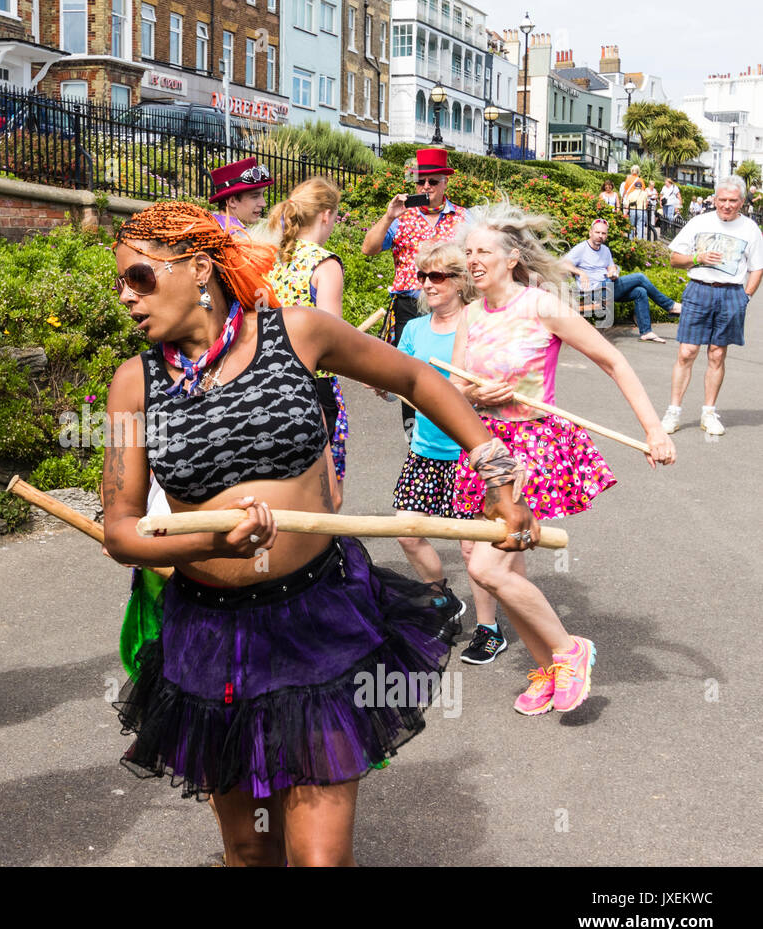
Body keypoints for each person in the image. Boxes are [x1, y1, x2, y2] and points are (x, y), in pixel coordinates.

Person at [102, 200, 538, 866]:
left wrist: (497, 470)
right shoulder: (133, 386)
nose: (125, 296)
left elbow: (417, 377)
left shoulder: (298, 334)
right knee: (250, 853)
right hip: (211, 638)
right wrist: (208, 545)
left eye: (139, 277)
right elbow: (122, 531)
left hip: (316, 620)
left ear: (197, 270)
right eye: (121, 282)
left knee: (320, 860)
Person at [451, 202, 676, 717]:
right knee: (503, 564)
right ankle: (548, 668)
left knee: (488, 564)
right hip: (485, 448)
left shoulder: (540, 305)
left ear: (511, 258)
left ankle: (569, 649)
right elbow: (453, 386)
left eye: (483, 251)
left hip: (529, 448)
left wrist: (654, 428)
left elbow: (612, 359)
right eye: (468, 253)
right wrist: (473, 394)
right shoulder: (469, 314)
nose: (473, 260)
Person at [386, 241, 505, 665]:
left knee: (474, 547)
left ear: (458, 282)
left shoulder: (476, 326)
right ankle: (443, 600)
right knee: (406, 531)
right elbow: (395, 378)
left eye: (437, 276)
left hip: (467, 452)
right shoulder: (414, 329)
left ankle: (490, 629)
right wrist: (382, 385)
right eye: (423, 276)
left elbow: (490, 386)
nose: (428, 284)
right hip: (425, 449)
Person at [362, 147, 467, 437]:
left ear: (446, 183)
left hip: (451, 304)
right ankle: (416, 441)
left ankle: (453, 436)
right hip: (409, 305)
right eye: (421, 181)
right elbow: (368, 249)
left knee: (452, 369)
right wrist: (387, 217)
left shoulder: (463, 218)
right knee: (410, 373)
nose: (426, 188)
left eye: (433, 182)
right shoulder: (402, 217)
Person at [265, 176, 348, 504]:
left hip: (273, 380)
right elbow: (332, 337)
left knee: (287, 485)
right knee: (329, 493)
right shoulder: (324, 264)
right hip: (315, 383)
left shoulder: (274, 260)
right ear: (326, 215)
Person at [659, 175, 763, 437]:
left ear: (741, 202)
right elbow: (674, 259)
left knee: (717, 354)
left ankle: (709, 412)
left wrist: (745, 297)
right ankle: (673, 412)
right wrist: (697, 257)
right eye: (722, 200)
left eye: (733, 201)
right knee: (687, 352)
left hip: (730, 294)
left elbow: (757, 267)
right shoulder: (699, 222)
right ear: (714, 199)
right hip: (699, 291)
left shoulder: (750, 229)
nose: (726, 205)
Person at [561, 217, 681, 342]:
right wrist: (580, 272)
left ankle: (646, 332)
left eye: (603, 233)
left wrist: (613, 272)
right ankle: (670, 306)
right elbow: (563, 263)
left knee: (640, 291)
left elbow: (611, 266)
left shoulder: (605, 250)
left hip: (607, 287)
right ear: (590, 232)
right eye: (597, 232)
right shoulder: (581, 249)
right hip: (593, 292)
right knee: (640, 277)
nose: (600, 236)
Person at [208, 158, 274, 236]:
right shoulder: (242, 241)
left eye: (262, 194)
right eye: (255, 196)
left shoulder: (207, 225)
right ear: (232, 201)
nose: (264, 204)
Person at [620, 164, 646, 238]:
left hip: (631, 203)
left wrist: (622, 198)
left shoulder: (628, 179)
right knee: (640, 226)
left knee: (631, 225)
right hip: (640, 205)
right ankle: (640, 241)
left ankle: (630, 239)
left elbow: (625, 191)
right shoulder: (641, 180)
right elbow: (643, 191)